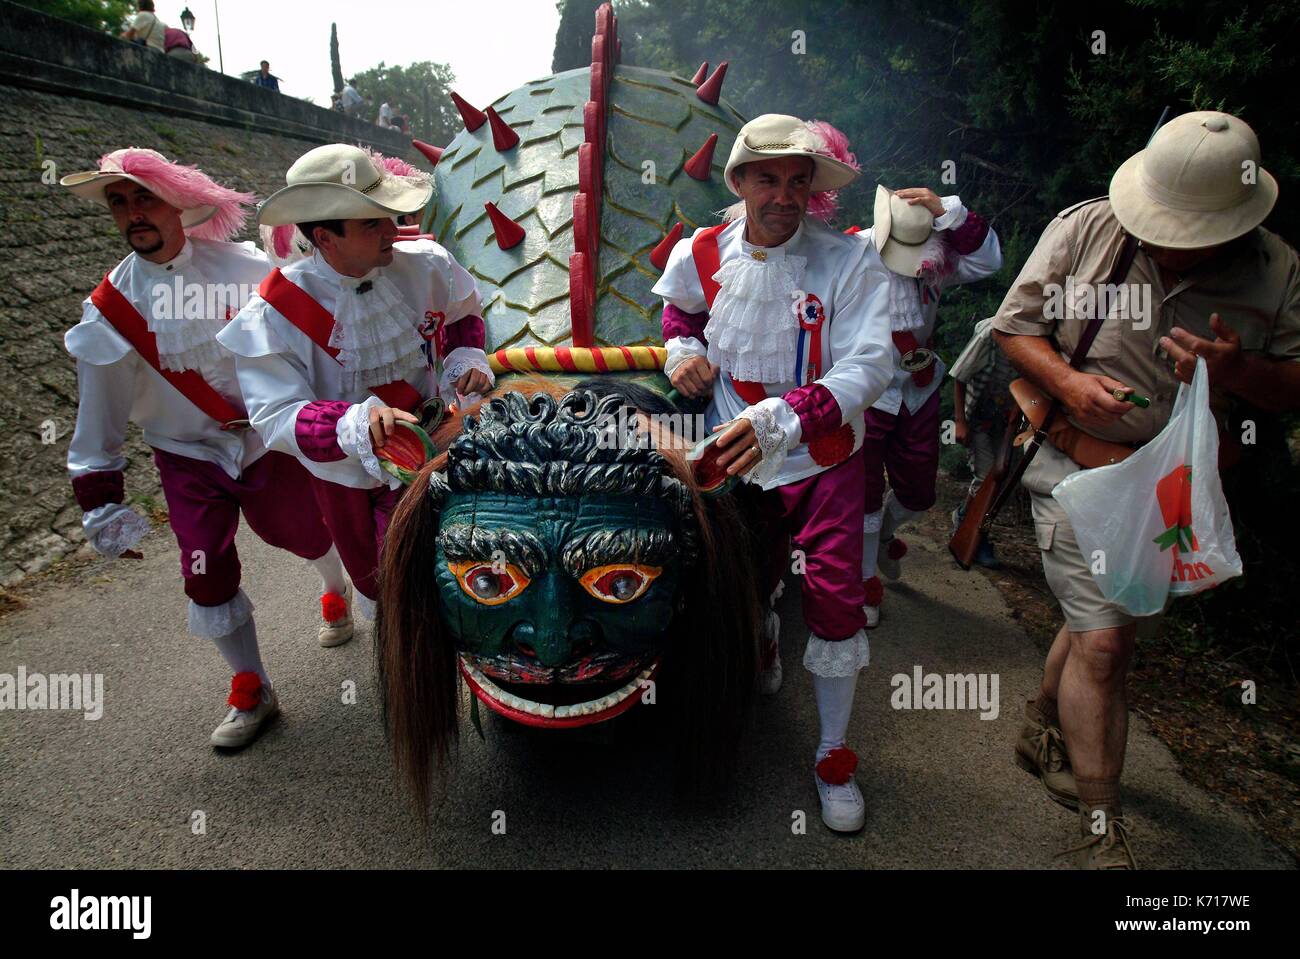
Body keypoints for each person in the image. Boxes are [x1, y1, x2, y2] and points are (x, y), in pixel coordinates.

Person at [992, 110, 1300, 868]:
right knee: (1105, 643)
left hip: (1172, 492)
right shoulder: (1085, 229)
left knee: (1109, 610)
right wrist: (1067, 379)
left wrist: (1235, 371)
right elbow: (1011, 328)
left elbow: (1291, 387)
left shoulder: (1276, 268)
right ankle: (1103, 833)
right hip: (1074, 460)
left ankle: (1040, 726)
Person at [59, 149, 354, 750]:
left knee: (299, 530)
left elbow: (301, 333)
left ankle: (336, 584)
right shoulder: (110, 309)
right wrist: (102, 503)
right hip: (184, 453)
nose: (132, 214)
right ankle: (252, 687)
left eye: (144, 198)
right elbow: (99, 410)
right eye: (120, 202)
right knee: (205, 570)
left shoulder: (244, 268)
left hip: (262, 440)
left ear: (177, 204)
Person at [652, 114, 894, 833]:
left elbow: (871, 363)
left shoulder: (850, 261)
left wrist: (787, 416)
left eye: (799, 181)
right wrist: (680, 352)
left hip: (823, 458)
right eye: (768, 179)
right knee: (739, 575)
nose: (784, 196)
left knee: (835, 602)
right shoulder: (701, 249)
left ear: (814, 189)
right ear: (739, 183)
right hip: (731, 453)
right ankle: (758, 637)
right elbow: (676, 312)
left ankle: (831, 755)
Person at [218, 144, 493, 617]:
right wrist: (354, 424)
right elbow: (276, 416)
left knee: (451, 572)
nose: (393, 229)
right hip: (344, 475)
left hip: (439, 449)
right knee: (378, 583)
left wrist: (465, 356)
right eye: (372, 223)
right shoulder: (272, 314)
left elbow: (464, 314)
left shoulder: (429, 264)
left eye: (387, 215)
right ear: (326, 238)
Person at [857, 186, 1002, 624]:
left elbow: (987, 262)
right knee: (861, 494)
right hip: (866, 387)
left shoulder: (936, 255)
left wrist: (949, 214)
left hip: (918, 387)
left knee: (919, 495)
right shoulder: (853, 252)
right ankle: (863, 585)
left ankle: (884, 534)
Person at [948, 317, 1017, 568]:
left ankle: (970, 520)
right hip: (978, 417)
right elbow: (960, 374)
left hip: (1008, 421)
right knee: (985, 477)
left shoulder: (1040, 335)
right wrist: (960, 421)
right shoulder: (991, 333)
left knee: (1002, 479)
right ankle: (974, 530)